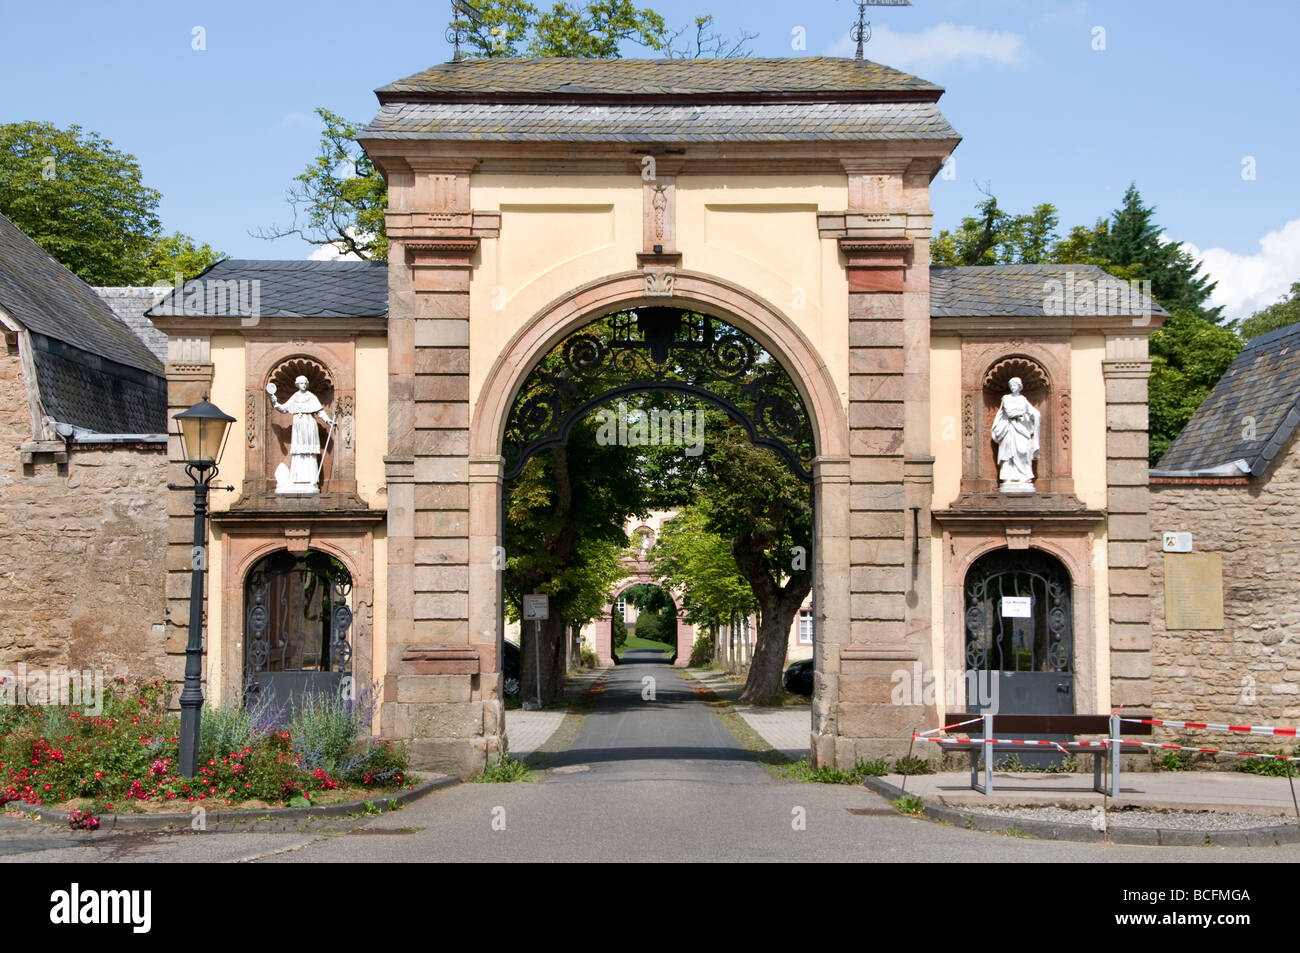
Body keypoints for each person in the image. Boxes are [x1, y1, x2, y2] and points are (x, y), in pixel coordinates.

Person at [268, 376, 332, 492]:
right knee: (298, 451)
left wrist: (328, 420)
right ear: (297, 385)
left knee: (308, 451)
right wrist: (275, 402)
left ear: (307, 384)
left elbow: (320, 411)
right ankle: (296, 480)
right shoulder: (295, 397)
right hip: (298, 425)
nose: (303, 385)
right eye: (301, 383)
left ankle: (311, 479)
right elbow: (284, 409)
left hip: (309, 425)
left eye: (305, 383)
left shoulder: (311, 397)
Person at [991, 377, 1040, 491]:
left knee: (1023, 451)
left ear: (1019, 386)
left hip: (1022, 429)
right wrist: (1023, 412)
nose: (1013, 387)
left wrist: (1035, 415)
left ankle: (1024, 477)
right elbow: (1009, 412)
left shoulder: (1023, 399)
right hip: (1009, 429)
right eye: (1011, 385)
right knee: (1008, 454)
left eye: (1015, 385)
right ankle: (1007, 477)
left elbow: (1033, 412)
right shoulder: (1006, 398)